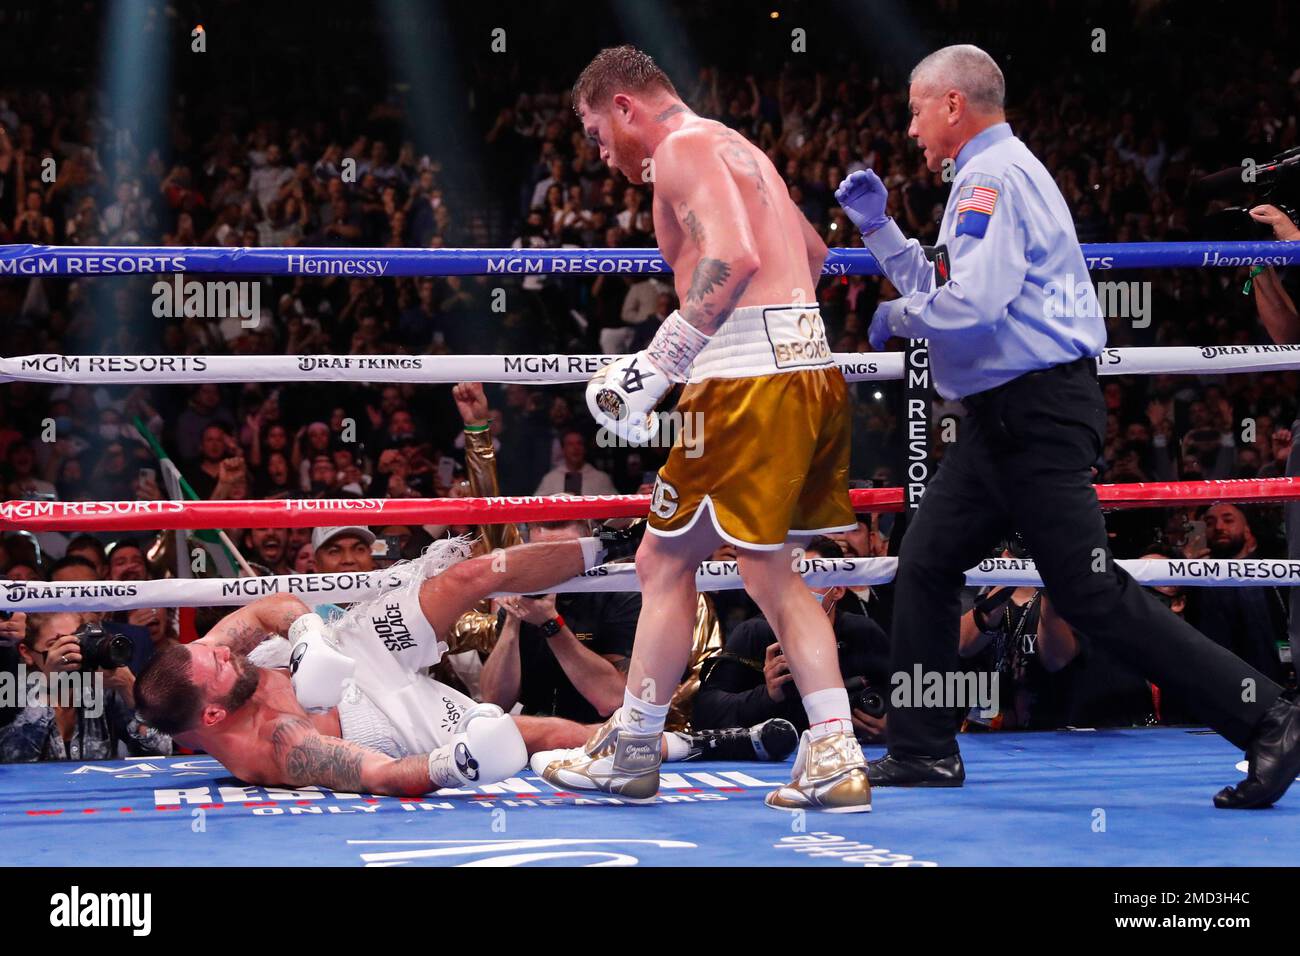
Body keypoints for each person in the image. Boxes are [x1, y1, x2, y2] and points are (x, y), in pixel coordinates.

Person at [835, 43, 1298, 808]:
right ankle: (923, 748)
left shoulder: (993, 176)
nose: (911, 125)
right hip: (1002, 420)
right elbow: (956, 287)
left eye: (917, 106)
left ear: (954, 104)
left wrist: (895, 315)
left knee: (1088, 594)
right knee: (924, 563)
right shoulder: (983, 177)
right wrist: (881, 231)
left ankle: (1272, 717)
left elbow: (971, 306)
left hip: (1037, 412)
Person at [532, 46, 868, 812]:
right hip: (807, 372)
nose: (598, 151)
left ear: (624, 108)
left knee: (662, 562)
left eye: (593, 131)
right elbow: (812, 256)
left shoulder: (680, 148)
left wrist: (658, 364)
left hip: (748, 387)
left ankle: (635, 746)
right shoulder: (740, 148)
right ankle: (835, 752)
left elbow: (735, 254)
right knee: (760, 570)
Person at [693, 536, 889, 743]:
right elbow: (704, 713)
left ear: (838, 589)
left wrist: (895, 725)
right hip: (770, 758)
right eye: (789, 578)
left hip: (854, 750)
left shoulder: (862, 632)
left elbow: (913, 693)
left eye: (807, 578)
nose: (796, 589)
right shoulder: (755, 632)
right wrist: (767, 695)